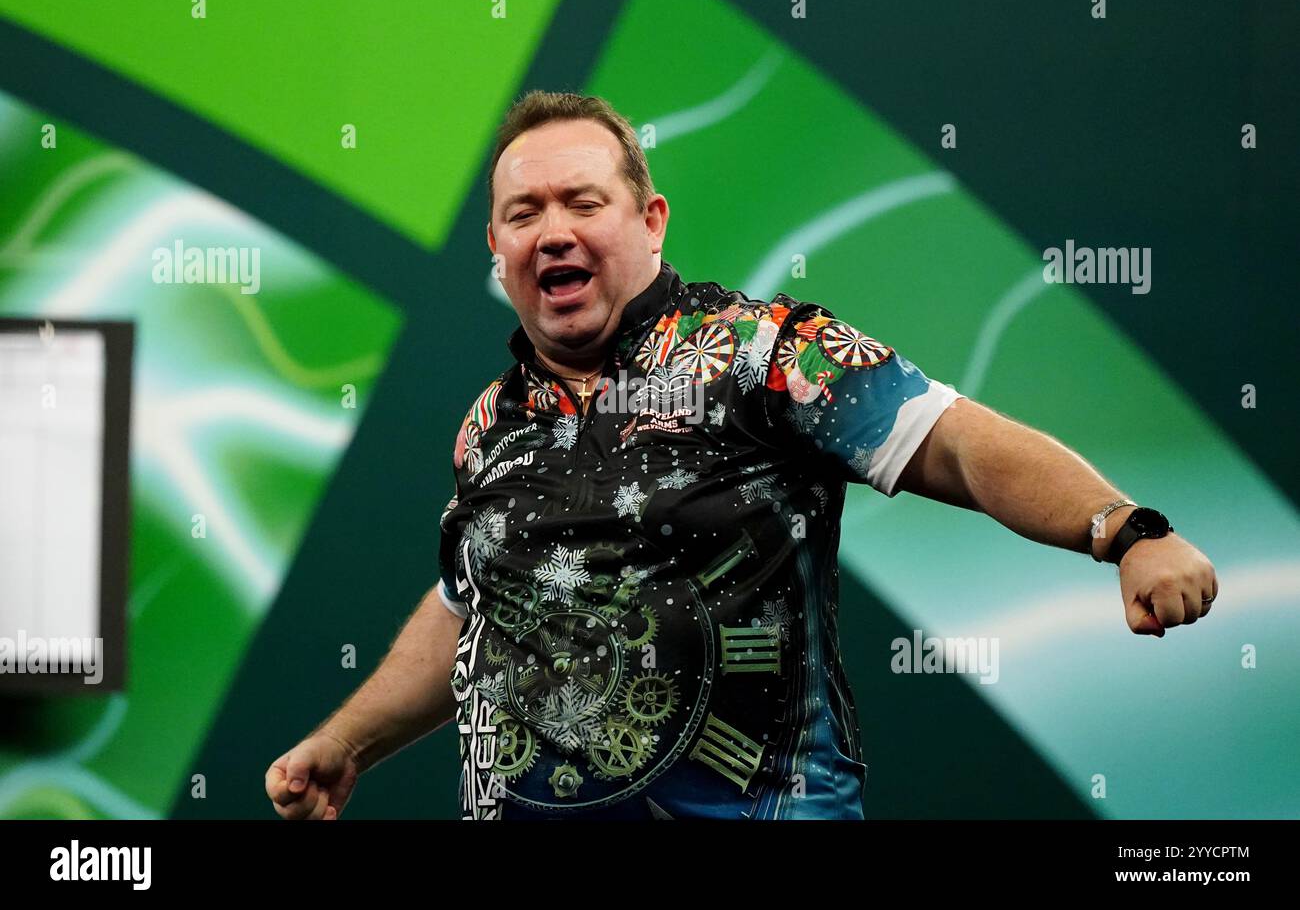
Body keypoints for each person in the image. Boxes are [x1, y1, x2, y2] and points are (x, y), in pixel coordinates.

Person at [265, 91, 1218, 821]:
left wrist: (1127, 530)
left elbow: (956, 441)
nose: (552, 229)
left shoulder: (765, 353)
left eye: (581, 202)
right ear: (496, 245)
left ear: (650, 221)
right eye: (524, 214)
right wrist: (347, 743)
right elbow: (472, 610)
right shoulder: (488, 425)